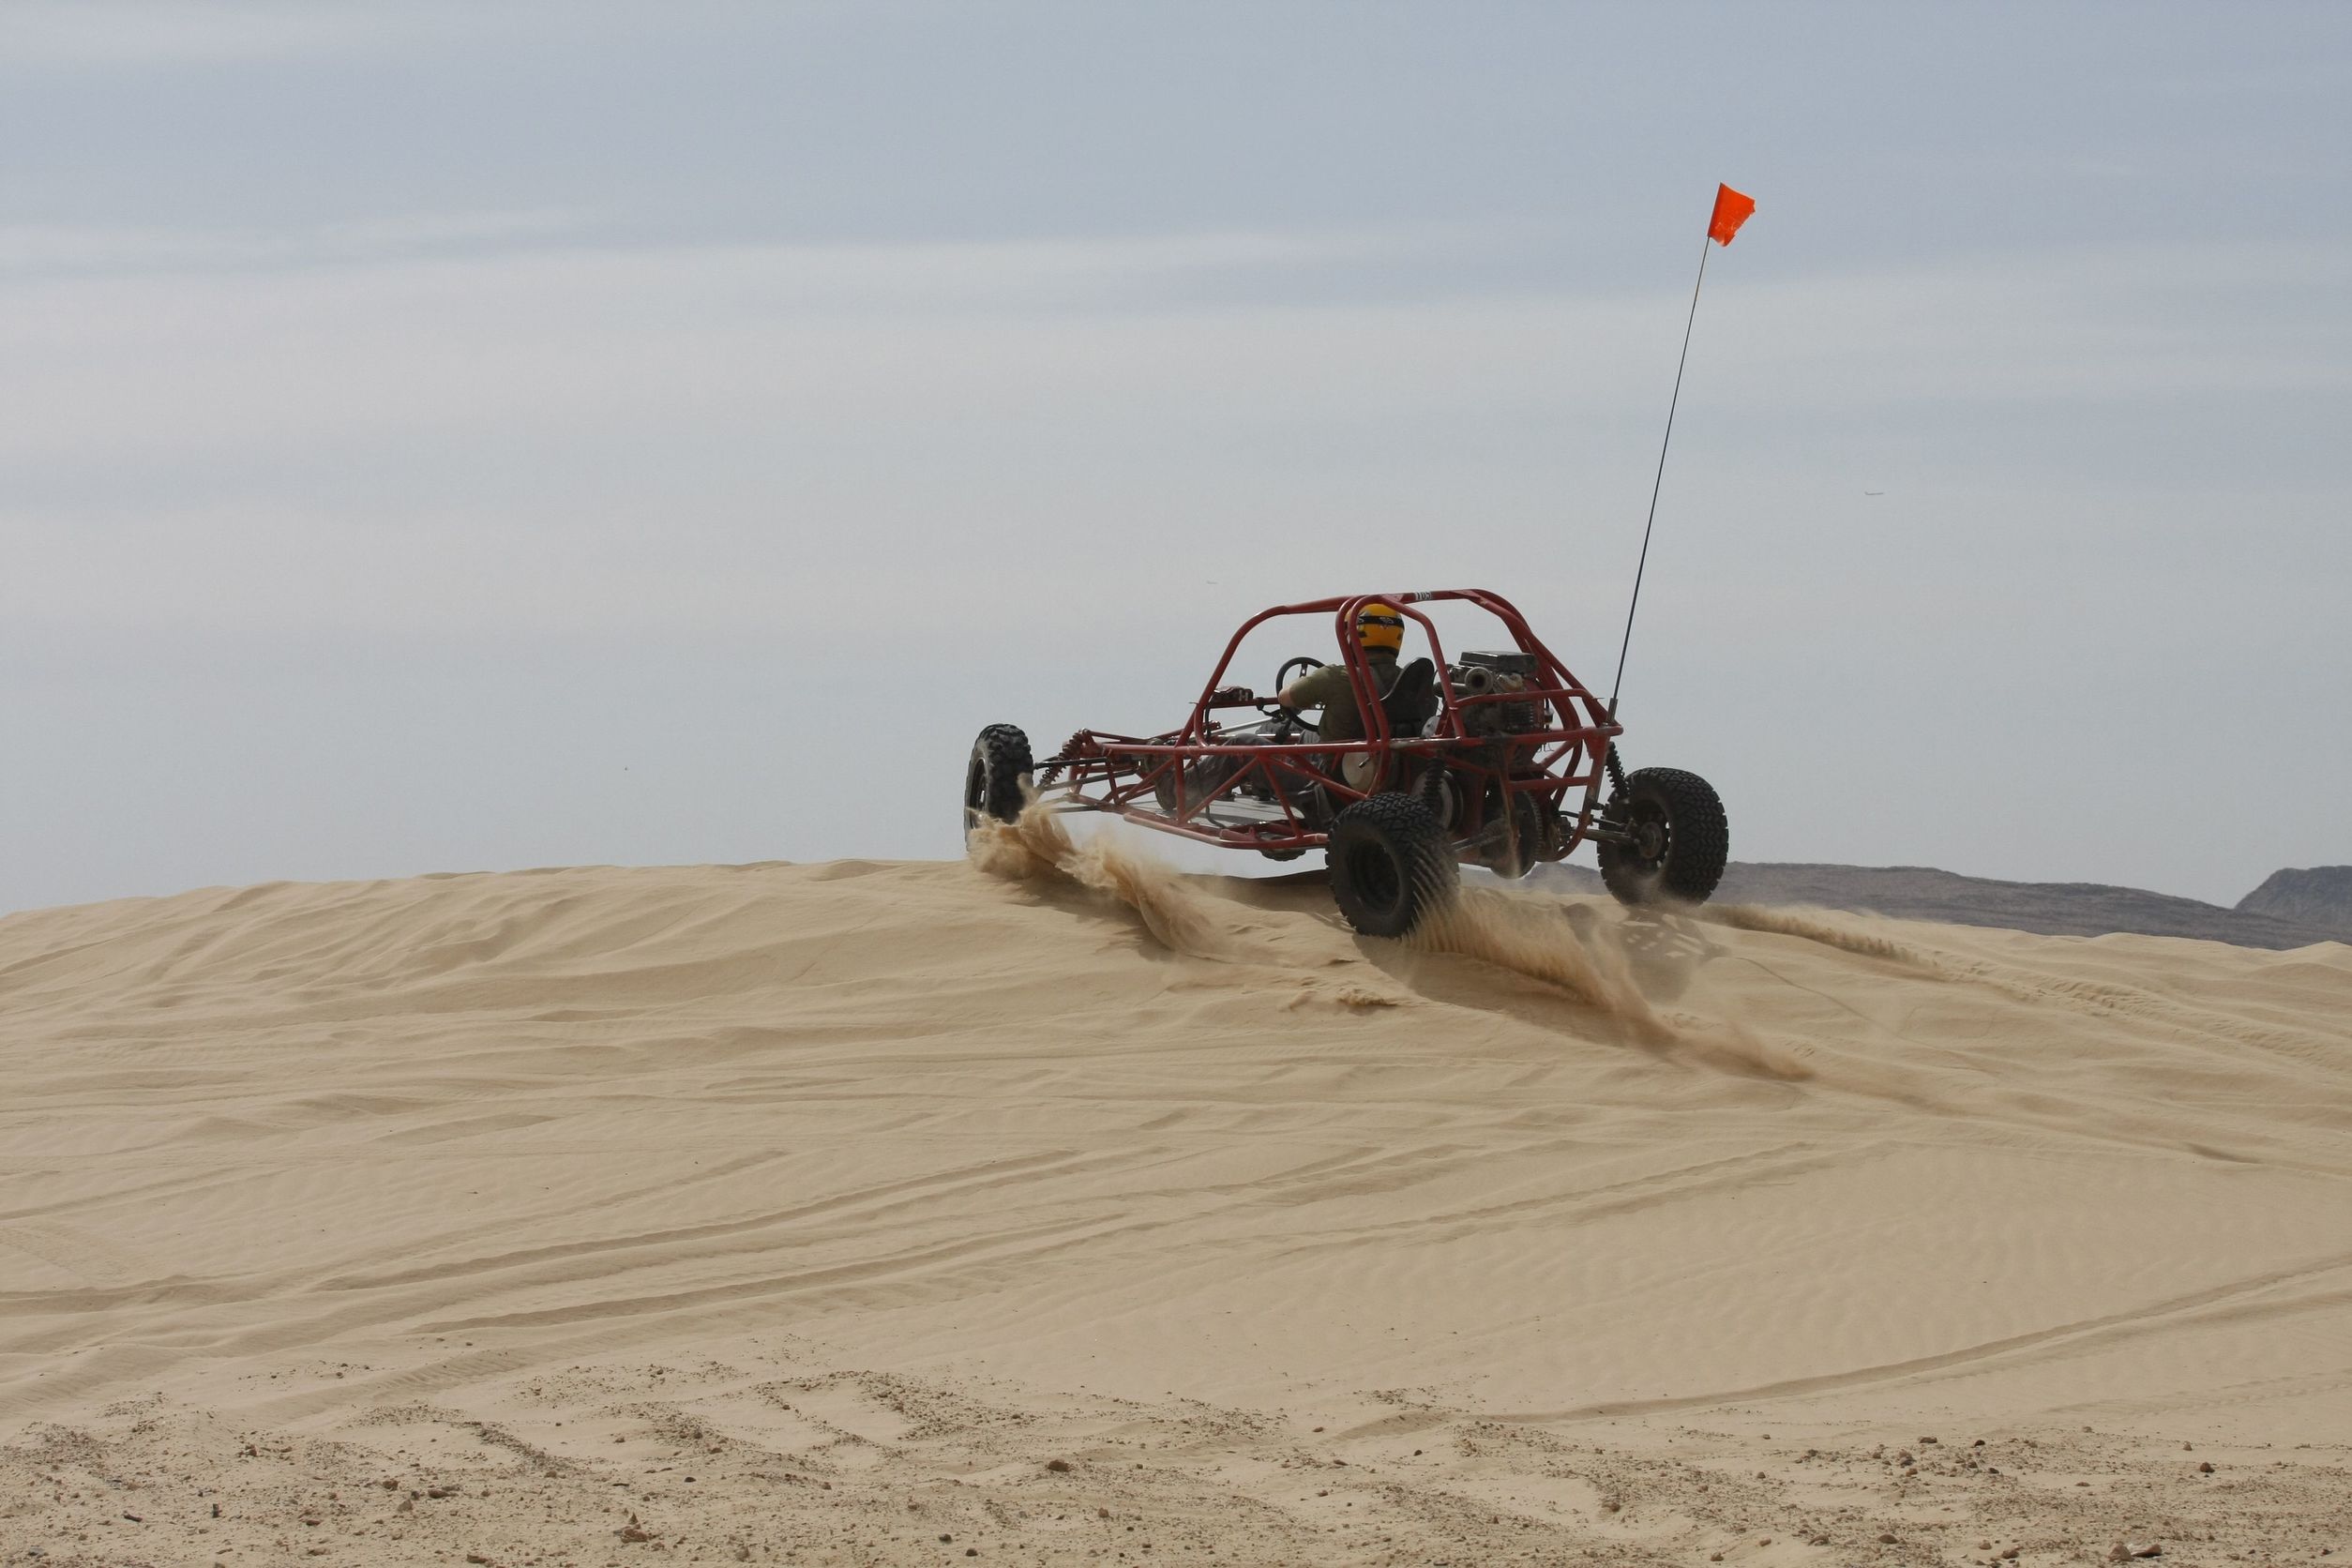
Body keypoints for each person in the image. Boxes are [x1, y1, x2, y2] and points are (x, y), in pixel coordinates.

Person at [1277, 602, 1409, 788]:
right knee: (1308, 734)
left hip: (1336, 779)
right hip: (1392, 774)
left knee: (1242, 742)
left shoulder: (1337, 676)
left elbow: (1285, 697)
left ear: (1353, 635)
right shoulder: (1410, 680)